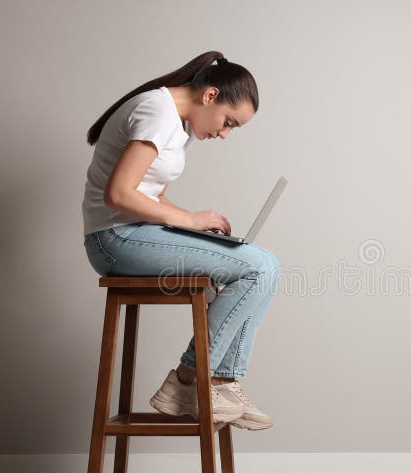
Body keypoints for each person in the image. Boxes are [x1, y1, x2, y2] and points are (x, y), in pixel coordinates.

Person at [82, 51, 280, 431]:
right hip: (114, 239)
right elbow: (120, 195)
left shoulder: (177, 123)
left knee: (264, 266)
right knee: (259, 268)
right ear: (210, 96)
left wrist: (192, 227)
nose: (224, 134)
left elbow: (149, 195)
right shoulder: (158, 113)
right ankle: (190, 382)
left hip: (134, 233)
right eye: (228, 123)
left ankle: (219, 382)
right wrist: (187, 220)